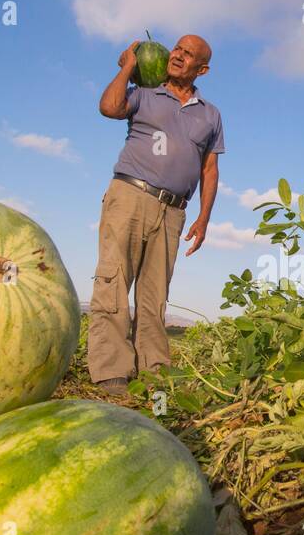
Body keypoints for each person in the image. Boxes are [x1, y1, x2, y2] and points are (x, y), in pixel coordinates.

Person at [89, 34, 223, 394]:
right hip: (131, 194)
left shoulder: (209, 114)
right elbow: (109, 107)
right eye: (177, 49)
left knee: (155, 294)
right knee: (114, 280)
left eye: (188, 53)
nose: (178, 55)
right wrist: (128, 67)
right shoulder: (145, 94)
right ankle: (111, 371)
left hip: (173, 210)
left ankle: (154, 370)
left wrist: (204, 217)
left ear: (202, 68)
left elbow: (209, 170)